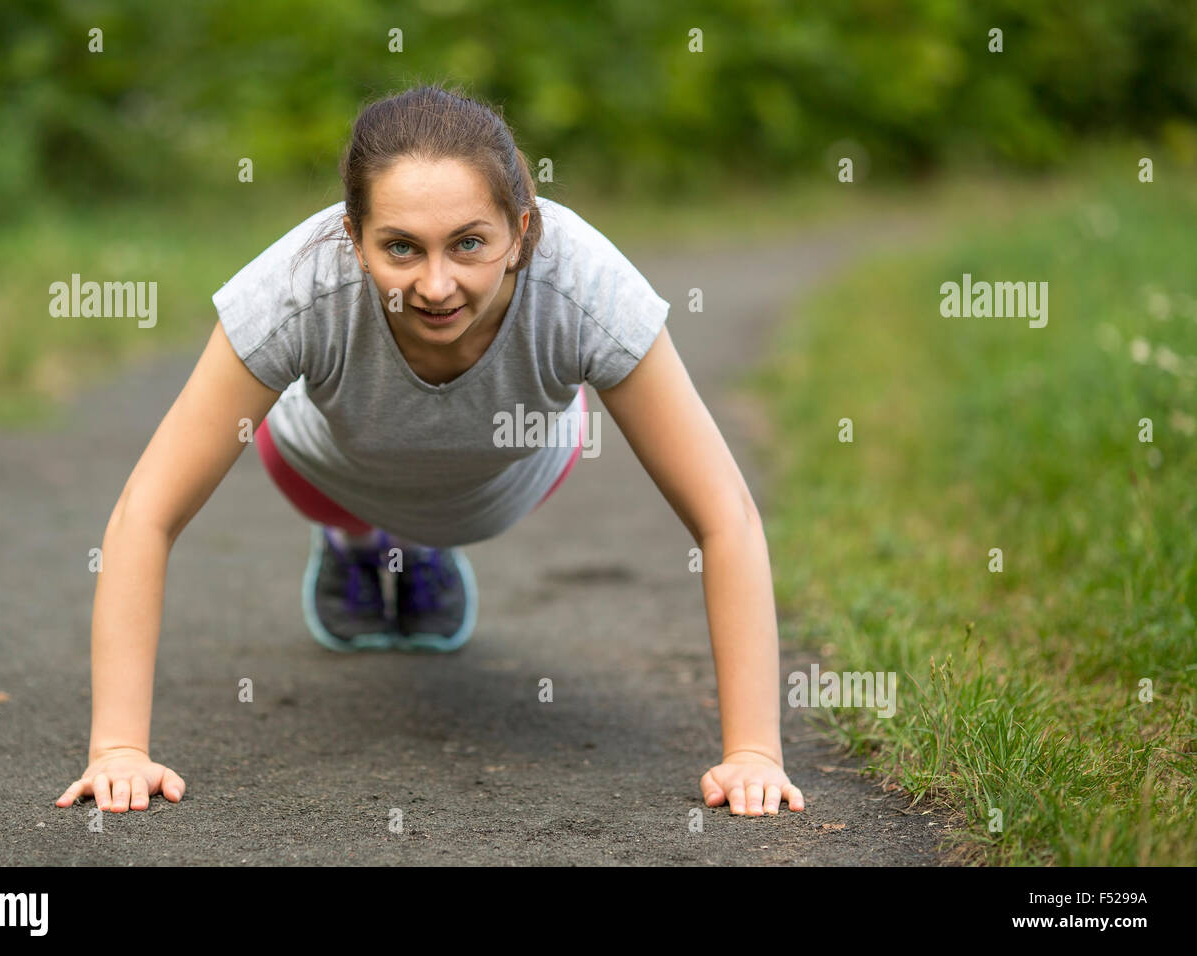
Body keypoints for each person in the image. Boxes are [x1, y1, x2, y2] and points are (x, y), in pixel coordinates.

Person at [55, 84, 804, 821]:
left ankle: (418, 548)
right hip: (332, 465)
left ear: (523, 230)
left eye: (470, 243)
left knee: (450, 508)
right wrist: (118, 747)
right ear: (353, 238)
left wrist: (754, 754)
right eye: (401, 248)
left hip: (505, 478)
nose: (436, 285)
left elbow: (725, 517)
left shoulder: (587, 286)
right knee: (281, 432)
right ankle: (360, 545)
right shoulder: (295, 287)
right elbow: (146, 511)